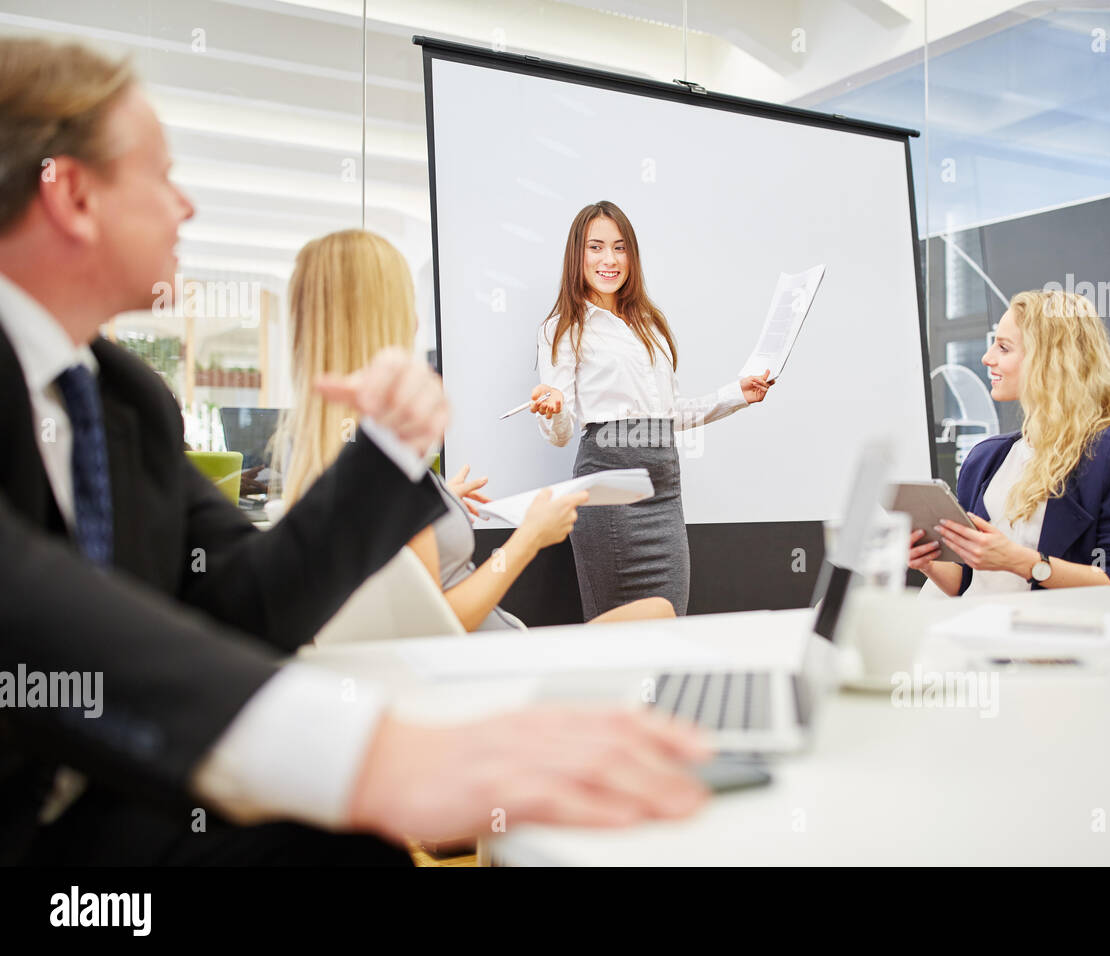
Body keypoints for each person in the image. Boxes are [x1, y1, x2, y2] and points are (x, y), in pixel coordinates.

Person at [0, 37, 709, 865]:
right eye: (161, 174)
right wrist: (366, 754)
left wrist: (386, 454)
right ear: (74, 195)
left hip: (112, 814)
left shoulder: (127, 399)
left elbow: (246, 601)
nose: (185, 206)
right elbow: (31, 607)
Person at [277, 229, 675, 631]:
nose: (415, 322)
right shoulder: (378, 466)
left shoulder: (331, 459)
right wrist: (529, 538)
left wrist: (441, 500)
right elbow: (442, 623)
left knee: (658, 611)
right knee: (659, 618)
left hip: (497, 642)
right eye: (403, 305)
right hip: (494, 662)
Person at [532, 201, 773, 620]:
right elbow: (561, 433)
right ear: (577, 255)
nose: (609, 259)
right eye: (596, 247)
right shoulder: (563, 326)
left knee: (670, 627)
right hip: (608, 494)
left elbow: (667, 415)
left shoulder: (649, 323)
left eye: (620, 248)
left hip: (665, 498)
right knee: (618, 640)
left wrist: (736, 394)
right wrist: (552, 408)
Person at [909, 289, 1110, 596]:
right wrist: (928, 562)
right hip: (974, 626)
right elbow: (962, 582)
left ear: (1051, 360)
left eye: (1004, 348)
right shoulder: (985, 458)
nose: (987, 358)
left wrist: (1022, 562)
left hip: (1047, 634)